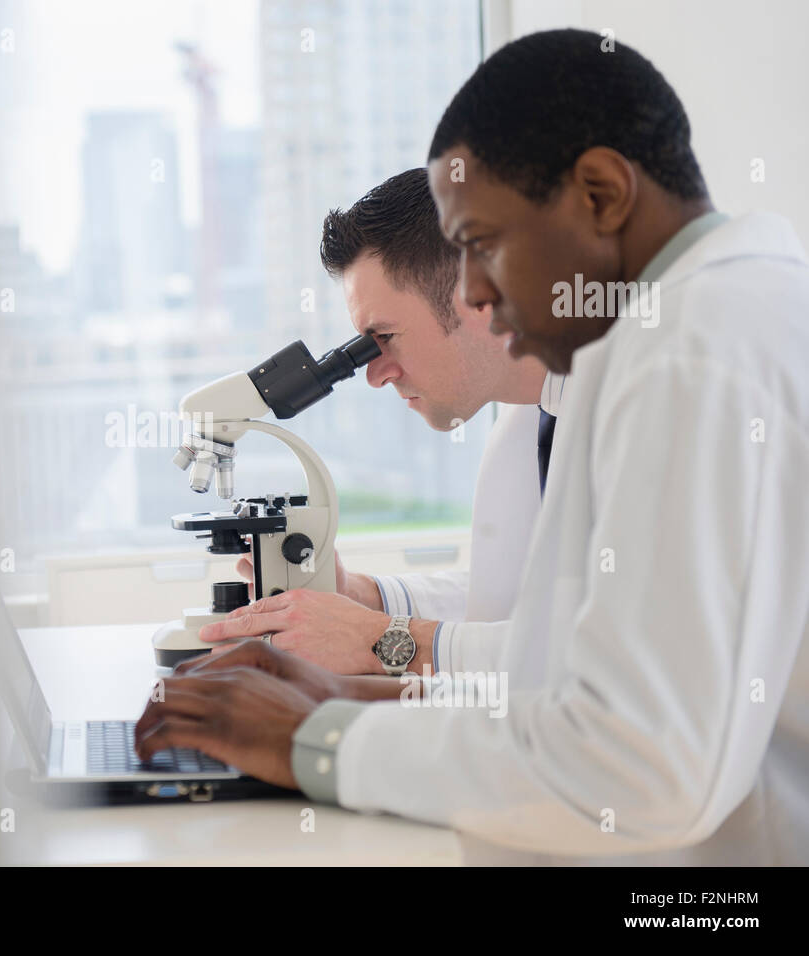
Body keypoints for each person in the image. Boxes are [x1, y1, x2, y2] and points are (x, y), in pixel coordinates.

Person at [136, 28, 809, 864]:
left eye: (483, 248)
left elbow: (637, 770)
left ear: (601, 193)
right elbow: (557, 658)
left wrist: (319, 738)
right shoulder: (670, 337)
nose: (479, 295)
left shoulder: (694, 353)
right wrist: (345, 691)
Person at [200, 168, 562, 683]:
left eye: (384, 336)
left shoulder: (648, 413)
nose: (376, 374)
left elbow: (612, 656)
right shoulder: (533, 411)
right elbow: (510, 599)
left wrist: (378, 642)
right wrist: (362, 599)